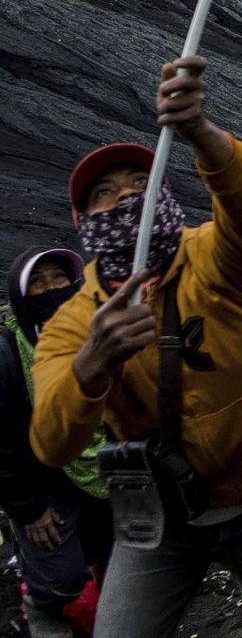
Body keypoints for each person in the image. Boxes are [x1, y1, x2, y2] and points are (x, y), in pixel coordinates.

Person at [31, 56, 242, 638]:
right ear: (83, 222)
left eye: (141, 182)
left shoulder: (217, 253)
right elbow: (53, 442)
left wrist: (202, 135)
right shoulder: (76, 321)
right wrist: (91, 365)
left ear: (166, 189)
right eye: (105, 193)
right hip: (161, 512)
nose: (128, 197)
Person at [2, 249, 110, 637]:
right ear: (19, 291)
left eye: (58, 278)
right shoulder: (9, 354)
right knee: (59, 583)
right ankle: (43, 614)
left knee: (112, 568)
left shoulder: (97, 334)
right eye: (38, 281)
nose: (50, 288)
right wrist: (27, 509)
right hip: (41, 491)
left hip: (102, 479)